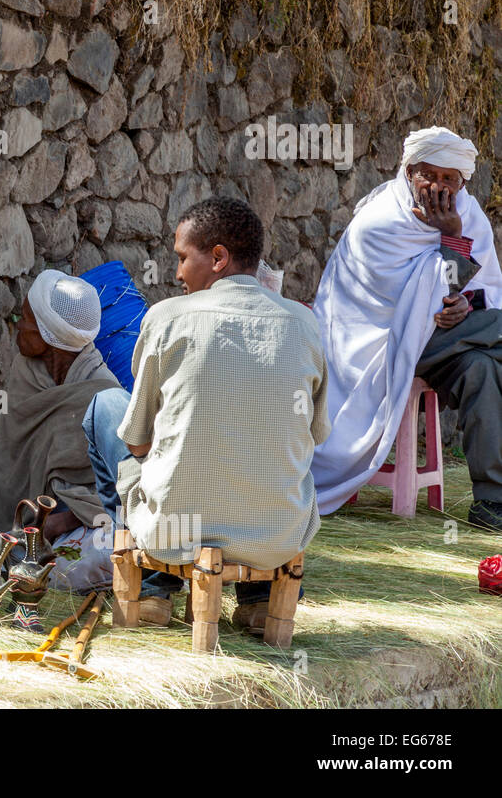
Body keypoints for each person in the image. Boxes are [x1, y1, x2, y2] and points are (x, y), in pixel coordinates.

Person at [85, 197, 329, 631]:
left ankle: (155, 591)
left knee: (106, 409)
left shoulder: (166, 318)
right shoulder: (303, 323)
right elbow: (315, 435)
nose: (177, 273)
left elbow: (137, 440)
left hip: (172, 534)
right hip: (276, 536)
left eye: (182, 258)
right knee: (272, 457)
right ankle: (258, 599)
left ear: (218, 257)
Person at [311, 127, 502, 528]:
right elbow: (399, 309)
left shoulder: (471, 215)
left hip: (446, 341)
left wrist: (462, 305)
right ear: (408, 171)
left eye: (450, 178)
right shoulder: (380, 222)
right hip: (382, 345)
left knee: (483, 370)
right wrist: (451, 238)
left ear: (463, 181)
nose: (439, 186)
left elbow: (481, 290)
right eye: (428, 175)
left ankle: (491, 502)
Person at [0, 270, 121, 545]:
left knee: (94, 559)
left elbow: (121, 490)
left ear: (50, 334)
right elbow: (13, 455)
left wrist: (61, 522)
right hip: (25, 523)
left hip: (86, 521)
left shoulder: (104, 395)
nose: (19, 325)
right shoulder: (26, 370)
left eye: (27, 319)